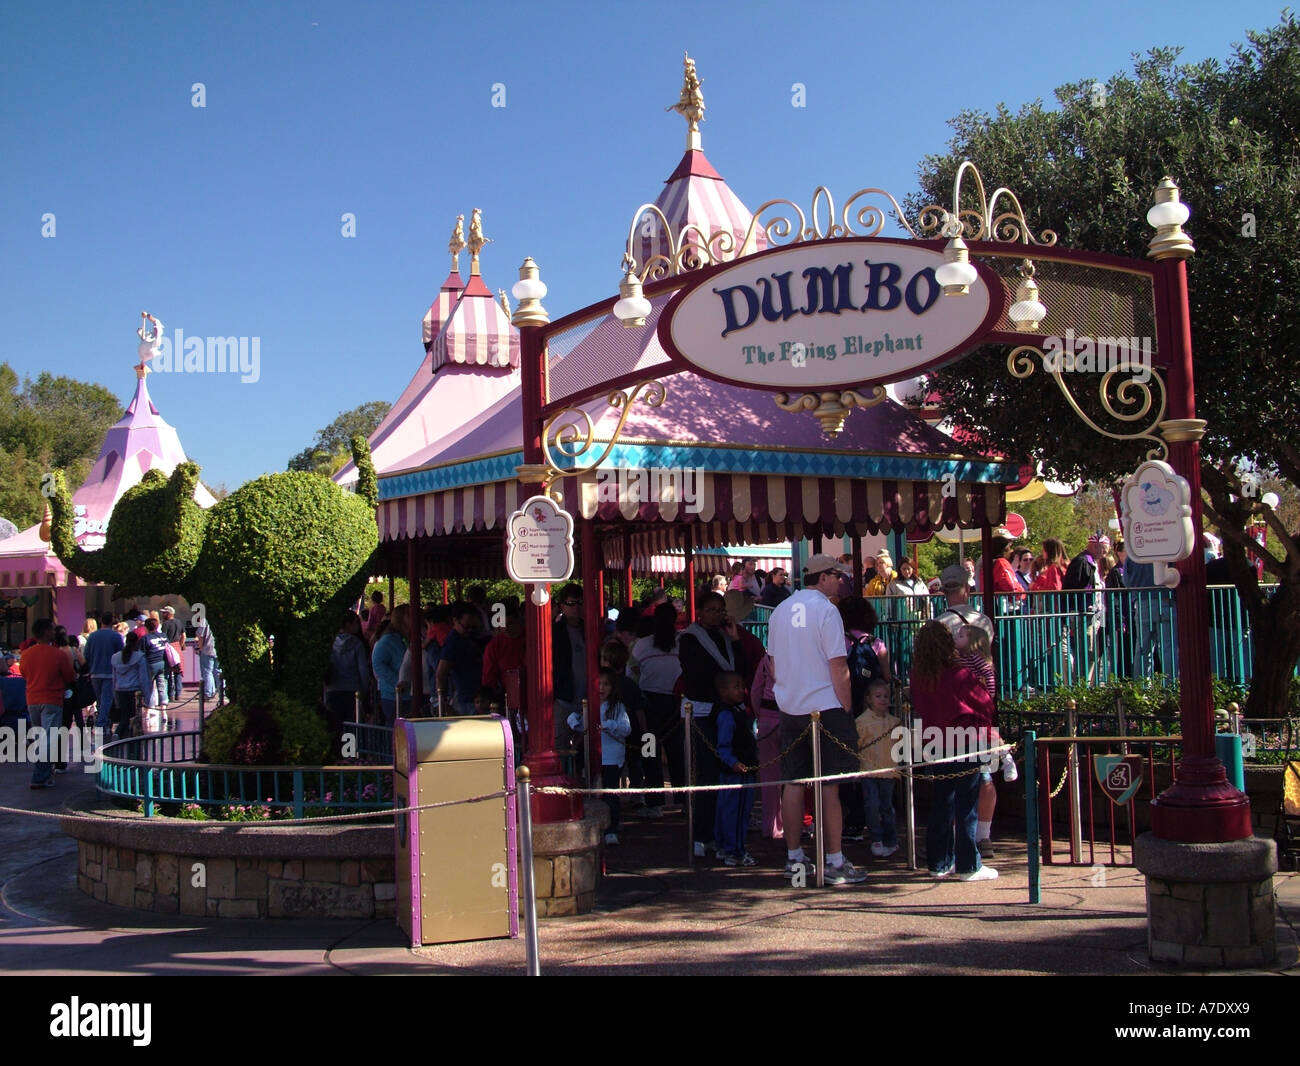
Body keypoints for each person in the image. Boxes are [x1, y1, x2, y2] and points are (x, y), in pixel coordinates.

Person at [767, 554, 868, 885]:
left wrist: (787, 689)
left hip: (790, 706)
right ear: (822, 577)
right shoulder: (826, 610)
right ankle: (835, 860)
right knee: (830, 785)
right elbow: (838, 665)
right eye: (836, 576)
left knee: (794, 783)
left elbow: (772, 664)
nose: (840, 581)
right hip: (825, 705)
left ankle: (794, 858)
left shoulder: (781, 611)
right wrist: (847, 707)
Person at [909, 621, 997, 880]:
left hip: (936, 740)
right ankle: (969, 864)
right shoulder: (958, 674)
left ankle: (939, 861)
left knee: (941, 802)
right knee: (966, 803)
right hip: (966, 740)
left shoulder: (918, 675)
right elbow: (985, 704)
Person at [679, 590, 745, 858]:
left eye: (720, 610)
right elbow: (695, 675)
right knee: (705, 773)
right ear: (700, 612)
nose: (717, 614)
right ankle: (701, 832)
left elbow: (740, 670)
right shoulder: (689, 639)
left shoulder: (725, 638)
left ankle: (724, 832)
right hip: (704, 712)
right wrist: (722, 691)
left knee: (728, 773)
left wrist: (736, 640)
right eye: (712, 610)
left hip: (728, 710)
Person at [568, 667, 631, 845]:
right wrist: (573, 721)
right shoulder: (588, 705)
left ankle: (612, 828)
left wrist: (609, 725)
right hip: (593, 755)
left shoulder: (617, 707)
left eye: (606, 684)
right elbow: (580, 723)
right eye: (599, 684)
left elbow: (626, 728)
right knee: (591, 790)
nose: (602, 688)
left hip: (611, 757)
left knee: (610, 792)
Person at [630, 601, 682, 814]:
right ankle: (682, 799)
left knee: (649, 753)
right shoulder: (681, 642)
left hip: (649, 706)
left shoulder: (641, 645)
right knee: (676, 754)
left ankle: (654, 803)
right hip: (674, 705)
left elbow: (631, 673)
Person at [22, 619, 75, 788]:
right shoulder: (57, 654)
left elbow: (24, 674)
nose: (54, 633)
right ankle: (40, 776)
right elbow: (70, 676)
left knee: (40, 737)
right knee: (49, 738)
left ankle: (44, 773)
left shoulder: (26, 654)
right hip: (52, 699)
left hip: (32, 699)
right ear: (46, 632)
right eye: (52, 630)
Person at [711, 670, 757, 866]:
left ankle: (723, 845)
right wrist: (733, 762)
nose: (741, 690)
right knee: (735, 812)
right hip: (737, 771)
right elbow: (723, 745)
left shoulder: (739, 711)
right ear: (723, 691)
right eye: (736, 686)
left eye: (742, 686)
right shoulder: (726, 715)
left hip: (741, 768)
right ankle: (735, 851)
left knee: (727, 809)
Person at [857, 678, 900, 858]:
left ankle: (891, 839)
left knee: (887, 807)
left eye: (885, 696)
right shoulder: (862, 721)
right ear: (869, 698)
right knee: (872, 805)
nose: (882, 699)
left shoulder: (895, 721)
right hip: (869, 770)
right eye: (878, 696)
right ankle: (876, 838)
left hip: (888, 771)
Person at [324, 611, 370, 749]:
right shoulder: (357, 645)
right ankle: (350, 756)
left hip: (333, 689)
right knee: (352, 728)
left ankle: (336, 754)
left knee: (334, 726)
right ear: (349, 625)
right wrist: (364, 690)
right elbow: (363, 670)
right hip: (353, 691)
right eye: (355, 622)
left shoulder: (329, 643)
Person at [750, 651, 783, 841]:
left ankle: (770, 826)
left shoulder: (766, 659)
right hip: (792, 718)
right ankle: (794, 822)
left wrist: (759, 715)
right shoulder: (799, 655)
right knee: (793, 777)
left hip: (767, 720)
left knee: (769, 777)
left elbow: (756, 691)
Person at [552, 582, 588, 747]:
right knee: (561, 746)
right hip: (564, 700)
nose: (576, 608)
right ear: (562, 606)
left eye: (580, 603)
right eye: (571, 604)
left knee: (587, 748)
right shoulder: (554, 632)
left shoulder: (590, 629)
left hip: (589, 699)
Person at [436, 603, 484, 716]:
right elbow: (441, 674)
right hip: (466, 699)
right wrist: (443, 704)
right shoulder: (453, 642)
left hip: (474, 696)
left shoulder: (467, 638)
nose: (470, 630)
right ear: (455, 621)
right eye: (466, 627)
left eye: (474, 628)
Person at [109, 630, 154, 741]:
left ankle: (122, 735)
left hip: (120, 690)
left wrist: (115, 695)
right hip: (134, 691)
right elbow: (143, 678)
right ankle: (120, 734)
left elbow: (114, 678)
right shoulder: (140, 657)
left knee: (124, 715)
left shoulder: (115, 657)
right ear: (136, 643)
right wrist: (148, 696)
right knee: (133, 717)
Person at [83, 611, 123, 730]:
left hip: (95, 672)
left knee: (100, 699)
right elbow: (121, 654)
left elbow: (86, 655)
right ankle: (102, 723)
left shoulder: (92, 636)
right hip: (110, 673)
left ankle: (104, 720)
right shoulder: (116, 636)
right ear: (112, 621)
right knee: (107, 699)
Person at [370, 604, 409, 724]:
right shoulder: (387, 640)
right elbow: (378, 664)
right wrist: (398, 681)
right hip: (394, 695)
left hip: (404, 693)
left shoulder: (402, 638)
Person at [141, 617, 171, 710]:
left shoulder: (146, 638)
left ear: (146, 627)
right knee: (162, 685)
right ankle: (164, 708)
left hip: (151, 664)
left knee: (148, 686)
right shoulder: (163, 636)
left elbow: (141, 653)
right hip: (163, 664)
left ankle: (149, 707)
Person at [160, 605, 185, 703]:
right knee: (178, 671)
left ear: (169, 613)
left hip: (168, 648)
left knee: (168, 671)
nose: (162, 614)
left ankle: (170, 695)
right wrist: (180, 645)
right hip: (177, 647)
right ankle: (178, 694)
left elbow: (163, 637)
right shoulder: (179, 622)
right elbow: (183, 635)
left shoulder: (165, 624)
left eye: (164, 613)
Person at [193, 614, 218, 700]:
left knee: (207, 672)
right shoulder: (218, 619)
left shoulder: (204, 620)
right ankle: (222, 692)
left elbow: (200, 636)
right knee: (218, 671)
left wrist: (199, 648)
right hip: (217, 649)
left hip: (207, 649)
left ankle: (208, 693)